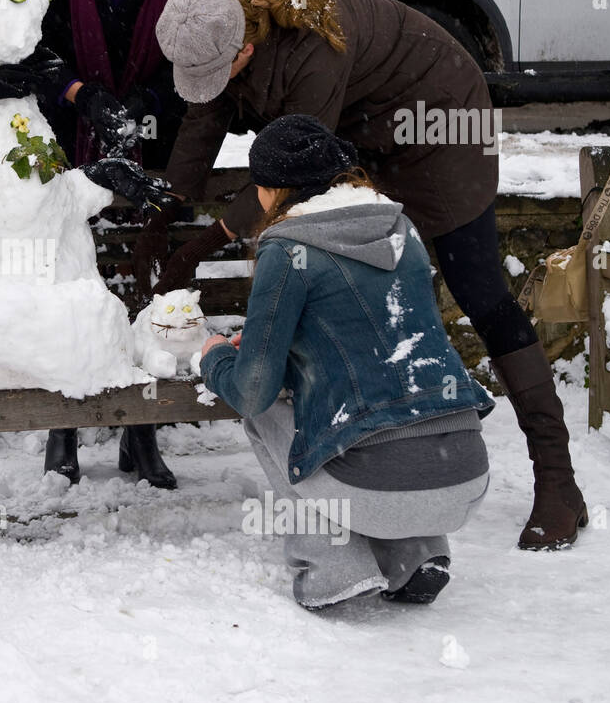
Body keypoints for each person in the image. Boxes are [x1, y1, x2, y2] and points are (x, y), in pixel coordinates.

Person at [148, 0, 587, 550]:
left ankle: (558, 483)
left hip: (438, 120)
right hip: (361, 127)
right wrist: (166, 210)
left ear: (245, 47)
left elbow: (292, 173)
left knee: (478, 288)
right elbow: (206, 115)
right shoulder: (215, 15)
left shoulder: (310, 52)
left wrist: (205, 242)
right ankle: (383, 454)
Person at [199, 115, 495, 610]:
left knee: (262, 412)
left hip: (377, 489)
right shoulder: (400, 227)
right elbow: (382, 336)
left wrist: (215, 359)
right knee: (386, 408)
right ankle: (418, 553)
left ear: (273, 190)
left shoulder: (288, 246)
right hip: (465, 475)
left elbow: (254, 389)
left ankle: (333, 568)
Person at [26, 0, 211, 489]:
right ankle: (64, 425)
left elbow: (188, 49)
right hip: (67, 129)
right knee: (74, 272)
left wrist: (145, 103)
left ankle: (141, 430)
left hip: (149, 135)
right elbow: (30, 45)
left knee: (144, 269)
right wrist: (83, 94)